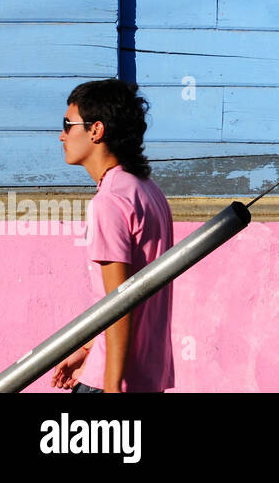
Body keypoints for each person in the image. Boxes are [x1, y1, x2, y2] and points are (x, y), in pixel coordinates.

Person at [49, 79, 175, 394]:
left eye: (68, 124)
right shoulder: (147, 191)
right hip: (149, 374)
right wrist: (89, 350)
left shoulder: (109, 201)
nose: (62, 135)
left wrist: (111, 383)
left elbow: (118, 302)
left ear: (96, 130)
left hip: (113, 380)